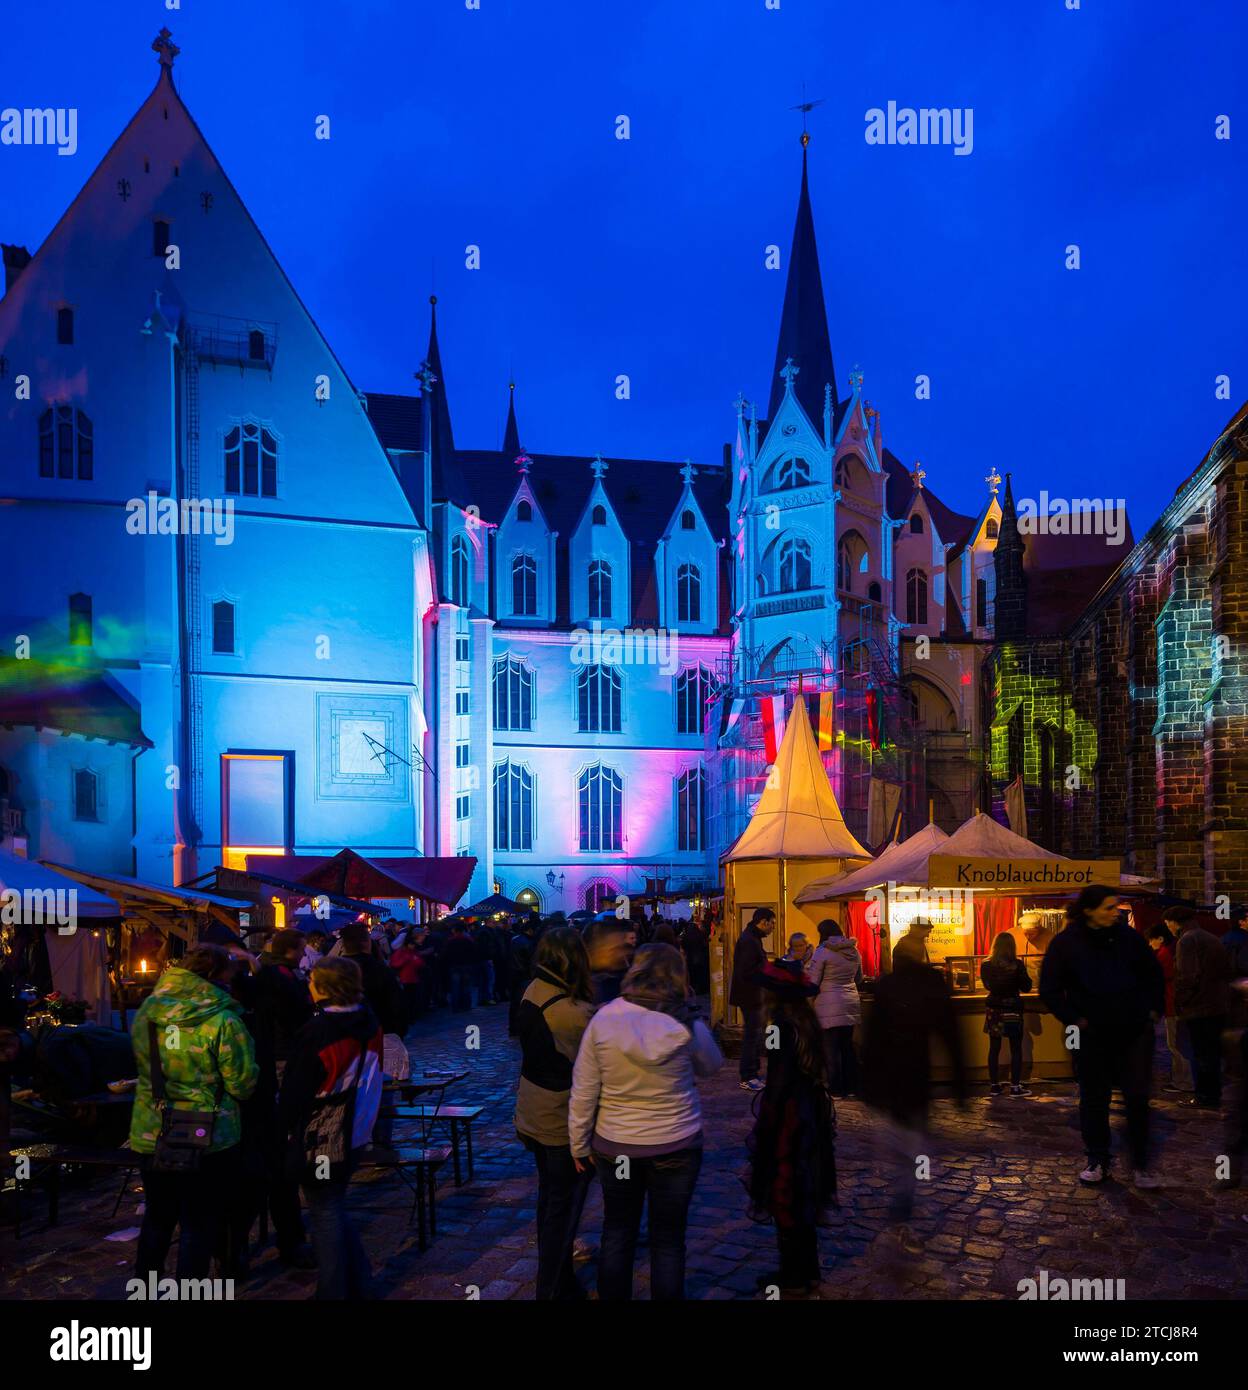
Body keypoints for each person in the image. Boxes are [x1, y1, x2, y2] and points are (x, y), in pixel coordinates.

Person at [569, 944, 722, 1300]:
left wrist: (578, 1142)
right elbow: (712, 1066)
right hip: (676, 1143)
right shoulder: (684, 1023)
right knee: (668, 1239)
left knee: (618, 1229)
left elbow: (585, 1087)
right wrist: (693, 1017)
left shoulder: (604, 1019)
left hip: (618, 1146)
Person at [130, 945, 259, 1281]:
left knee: (158, 1216)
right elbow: (242, 1084)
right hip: (209, 1133)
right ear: (217, 978)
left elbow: (142, 1063)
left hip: (152, 1127)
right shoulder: (224, 1020)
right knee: (198, 1222)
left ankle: (146, 1285)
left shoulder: (148, 1011)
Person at [1039, 886, 1165, 1187]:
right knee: (1095, 1099)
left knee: (1137, 1098)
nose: (1115, 912)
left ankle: (1141, 1164)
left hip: (1133, 1031)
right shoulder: (1066, 943)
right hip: (1092, 1033)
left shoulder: (1129, 939)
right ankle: (1098, 1158)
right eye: (1108, 907)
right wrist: (1075, 1019)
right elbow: (1050, 989)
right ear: (1089, 910)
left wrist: (1152, 1013)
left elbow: (1153, 976)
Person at [279, 957, 383, 1300]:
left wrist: (283, 1124)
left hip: (324, 1134)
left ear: (324, 987)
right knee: (333, 1205)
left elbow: (298, 1090)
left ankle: (333, 1291)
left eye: (312, 980)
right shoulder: (368, 1019)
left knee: (324, 1210)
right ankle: (360, 1282)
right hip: (359, 1126)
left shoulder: (320, 1031)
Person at [513, 927, 596, 1300]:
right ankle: (550, 1289)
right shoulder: (569, 1011)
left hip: (532, 1109)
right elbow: (591, 1066)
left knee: (550, 1199)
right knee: (562, 1208)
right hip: (560, 1118)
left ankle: (561, 1281)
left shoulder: (533, 989)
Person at [745, 961, 837, 1296]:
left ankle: (792, 1275)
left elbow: (778, 1080)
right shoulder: (807, 1021)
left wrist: (768, 1121)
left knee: (785, 1193)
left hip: (791, 1118)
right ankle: (808, 1270)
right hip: (812, 1113)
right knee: (805, 1191)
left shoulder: (778, 1027)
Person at [861, 936, 966, 1221]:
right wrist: (960, 1084)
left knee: (899, 1133)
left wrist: (867, 1082)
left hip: (890, 1075)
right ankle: (908, 1185)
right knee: (913, 1133)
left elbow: (872, 1039)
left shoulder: (887, 986)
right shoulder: (930, 984)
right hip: (917, 1073)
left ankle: (905, 1183)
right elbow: (951, 1035)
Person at [234, 930, 315, 1270]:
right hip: (266, 1087)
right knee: (276, 1170)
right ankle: (289, 1242)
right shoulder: (282, 984)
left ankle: (232, 1253)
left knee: (250, 1176)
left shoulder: (245, 997)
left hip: (243, 1107)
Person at [1169, 906, 1231, 1110]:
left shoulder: (1187, 940)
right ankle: (1212, 1094)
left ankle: (1205, 1096)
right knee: (1211, 1054)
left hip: (1199, 1007)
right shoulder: (1210, 937)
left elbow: (1187, 976)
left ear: (1173, 922)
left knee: (1201, 1054)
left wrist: (1181, 1002)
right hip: (1216, 1005)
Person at [805, 920, 861, 1098]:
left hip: (827, 1004)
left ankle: (835, 1088)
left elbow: (813, 981)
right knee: (847, 1047)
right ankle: (851, 1086)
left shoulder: (822, 951)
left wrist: (808, 1001)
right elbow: (858, 978)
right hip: (850, 1002)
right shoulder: (854, 950)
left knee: (830, 1048)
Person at [980, 932, 1032, 1097]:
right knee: (1015, 1048)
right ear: (1012, 946)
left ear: (994, 945)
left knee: (994, 1048)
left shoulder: (986, 964)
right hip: (1013, 1010)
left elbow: (989, 986)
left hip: (994, 1009)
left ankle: (994, 1086)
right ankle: (1015, 1087)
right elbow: (1027, 987)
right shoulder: (1017, 964)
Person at [1146, 923, 1193, 1092]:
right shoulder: (1166, 953)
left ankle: (1184, 1082)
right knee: (1172, 1044)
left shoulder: (1163, 954)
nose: (1150, 943)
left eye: (1151, 940)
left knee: (1174, 1044)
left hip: (1171, 1003)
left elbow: (1156, 976)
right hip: (1170, 1003)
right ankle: (1179, 1080)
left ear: (1160, 938)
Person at [730, 908, 773, 1092]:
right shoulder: (749, 941)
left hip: (752, 996)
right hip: (750, 996)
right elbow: (747, 971)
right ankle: (748, 1075)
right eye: (772, 923)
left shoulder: (752, 938)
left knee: (754, 1035)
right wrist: (768, 973)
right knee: (751, 1036)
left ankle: (752, 1073)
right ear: (763, 922)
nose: (772, 928)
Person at [338, 922, 405, 1036]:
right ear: (367, 942)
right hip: (378, 1028)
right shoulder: (380, 970)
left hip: (343, 1032)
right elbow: (396, 1002)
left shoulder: (335, 969)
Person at [585, 920, 635, 1006]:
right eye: (615, 949)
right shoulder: (588, 988)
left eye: (622, 947)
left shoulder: (623, 978)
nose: (622, 953)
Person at [389, 932, 426, 1029]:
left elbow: (420, 963)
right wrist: (406, 960)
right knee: (405, 1000)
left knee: (412, 999)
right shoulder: (400, 952)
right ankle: (407, 1018)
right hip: (403, 980)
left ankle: (412, 1017)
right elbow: (395, 964)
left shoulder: (413, 952)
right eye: (412, 945)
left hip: (413, 979)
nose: (413, 947)